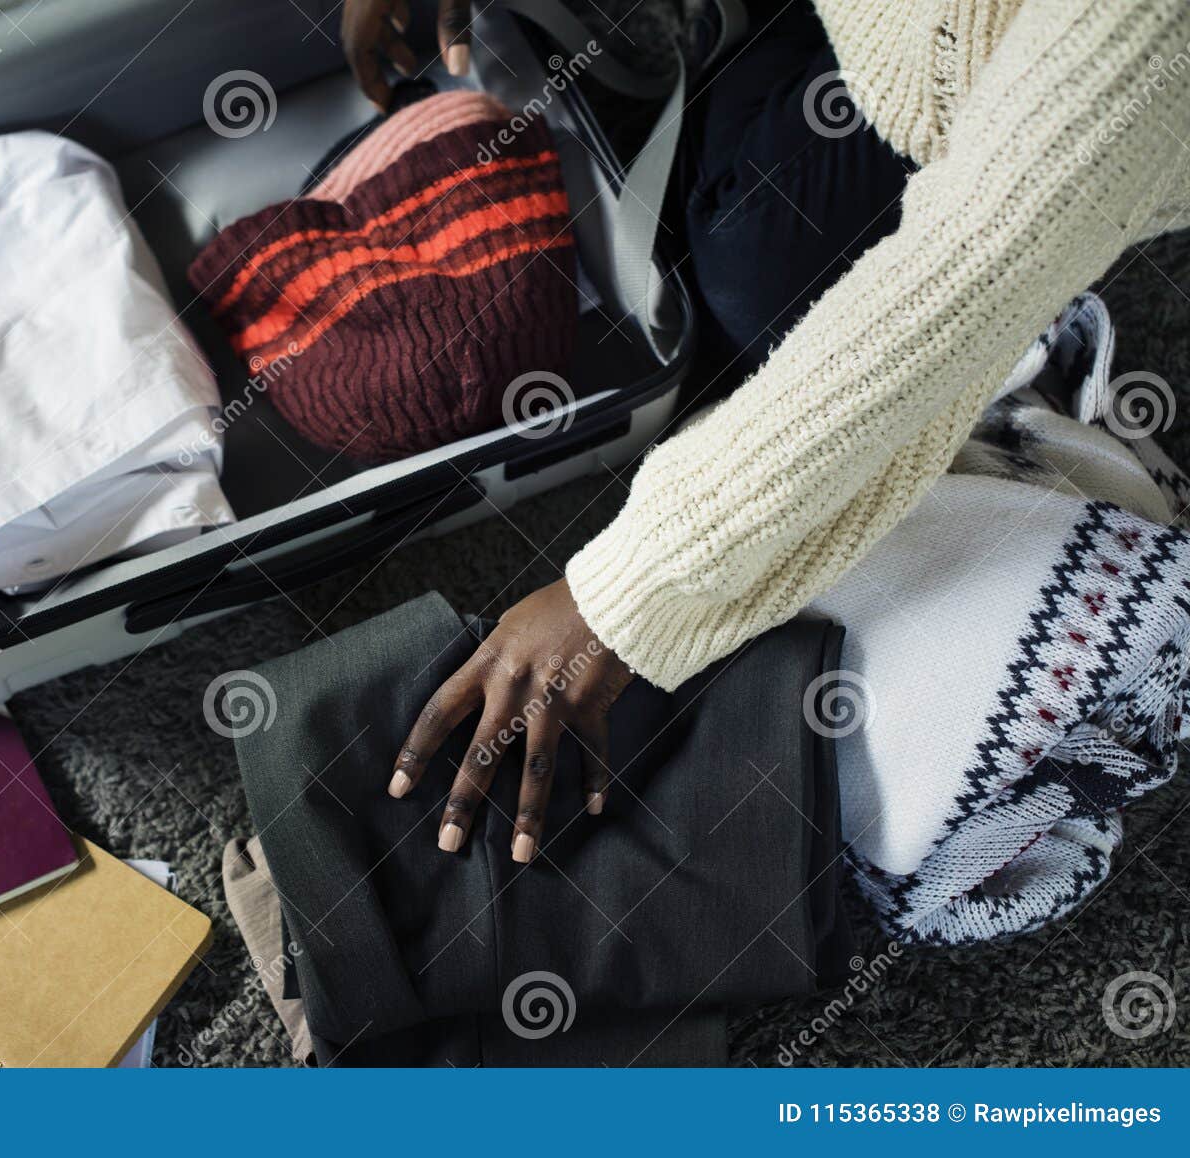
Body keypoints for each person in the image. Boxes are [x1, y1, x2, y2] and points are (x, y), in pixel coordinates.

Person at [342, 0, 1190, 862]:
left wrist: (624, 592)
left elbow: (951, 302)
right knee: (731, 236)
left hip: (993, 111)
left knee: (756, 280)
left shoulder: (1144, 36)